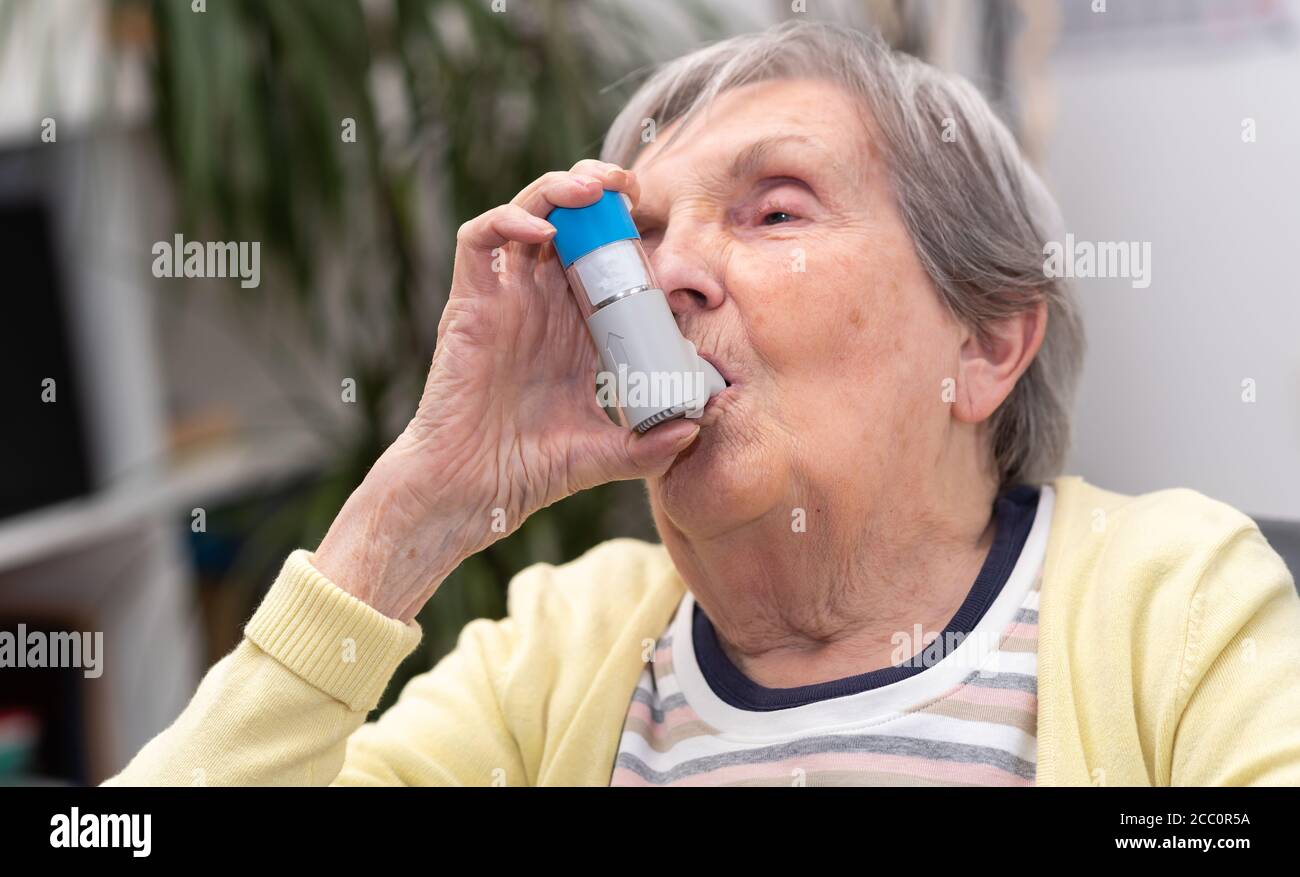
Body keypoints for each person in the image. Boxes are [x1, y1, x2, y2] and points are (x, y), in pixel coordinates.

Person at [106, 20, 1300, 787]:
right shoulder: (559, 652)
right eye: (636, 238)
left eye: (775, 210)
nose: (660, 275)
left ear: (985, 342)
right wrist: (414, 511)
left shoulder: (1170, 605)